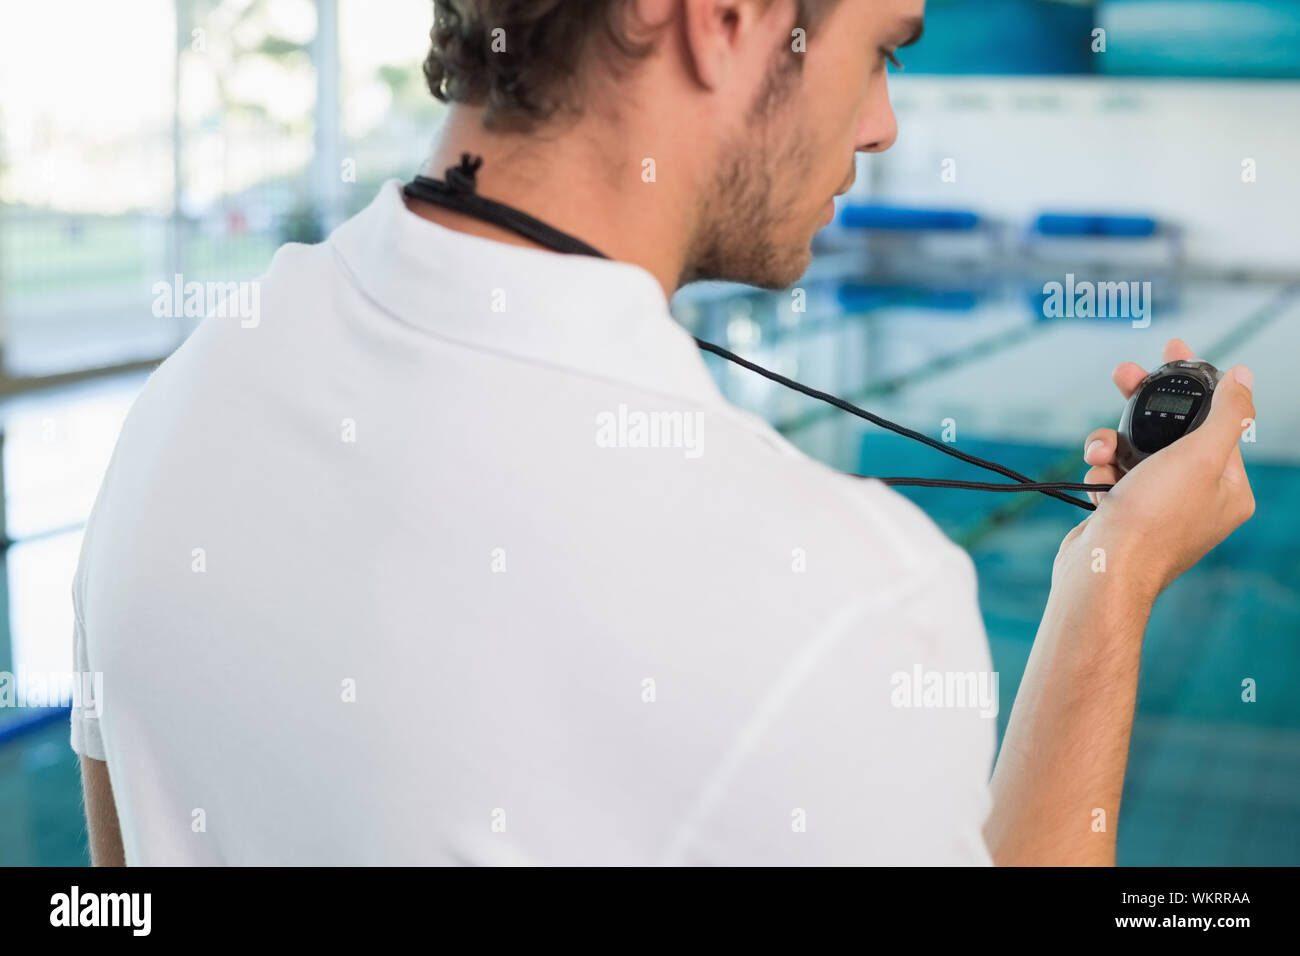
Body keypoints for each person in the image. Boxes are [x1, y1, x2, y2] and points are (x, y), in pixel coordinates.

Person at [73, 0, 1255, 865]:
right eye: (881, 49)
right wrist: (1114, 582)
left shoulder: (185, 403)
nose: (885, 122)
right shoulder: (843, 596)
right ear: (719, 19)